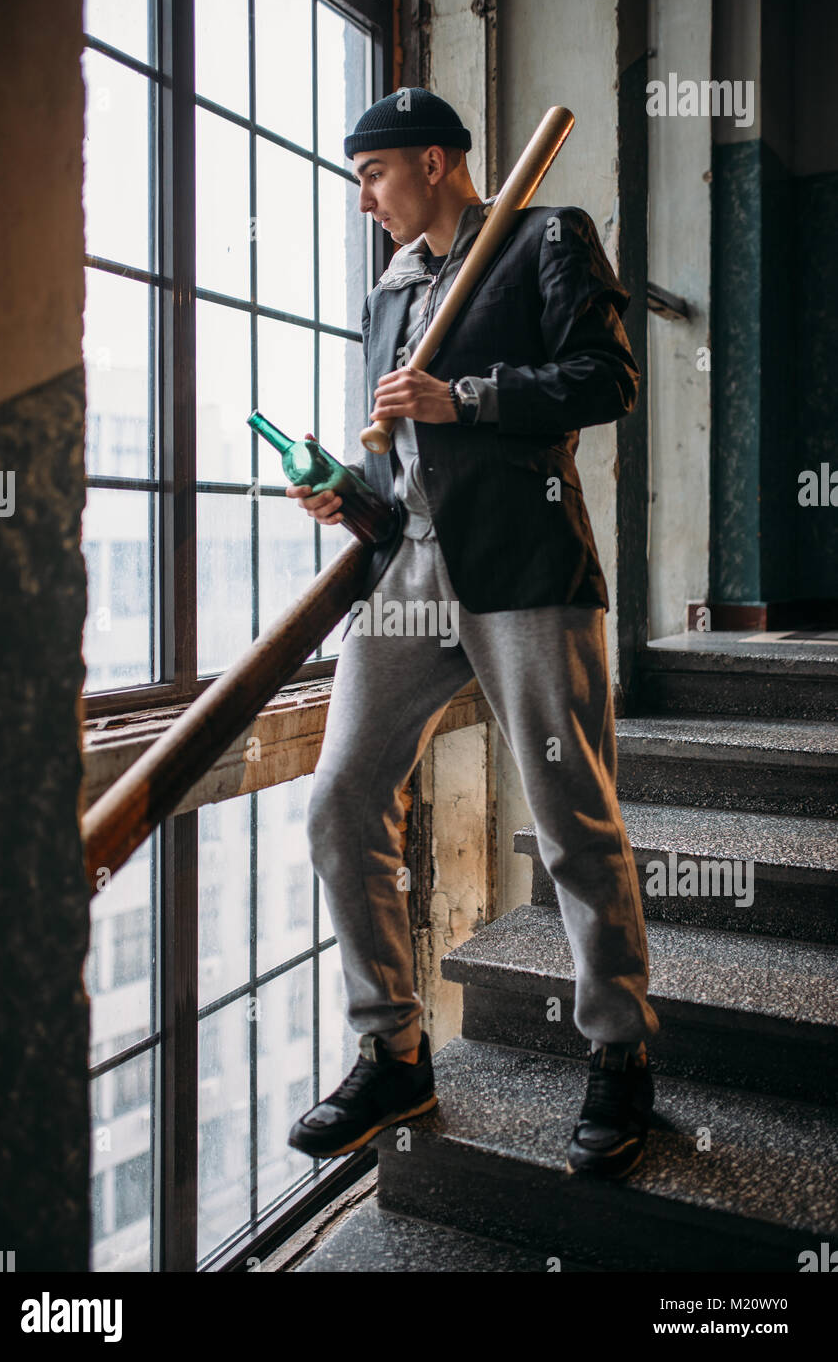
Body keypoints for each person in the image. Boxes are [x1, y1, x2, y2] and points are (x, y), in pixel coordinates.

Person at [285, 87, 659, 1180]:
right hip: (408, 578)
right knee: (341, 793)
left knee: (571, 818)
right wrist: (340, 494)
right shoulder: (388, 298)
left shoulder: (543, 237)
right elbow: (399, 473)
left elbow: (609, 378)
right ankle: (393, 1048)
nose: (364, 199)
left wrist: (471, 397)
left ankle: (620, 1049)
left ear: (439, 161)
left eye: (374, 174)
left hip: (525, 572)